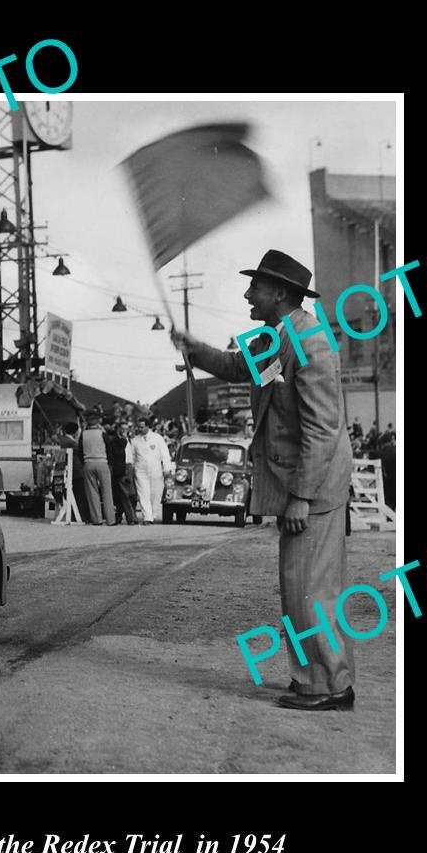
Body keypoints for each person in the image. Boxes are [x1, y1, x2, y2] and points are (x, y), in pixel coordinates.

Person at [173, 249, 355, 711]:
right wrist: (192, 346)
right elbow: (238, 366)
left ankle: (324, 686)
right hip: (309, 486)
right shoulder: (281, 336)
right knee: (306, 589)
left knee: (308, 591)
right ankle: (324, 677)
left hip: (312, 490)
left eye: (255, 287)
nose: (247, 294)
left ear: (279, 294)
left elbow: (321, 429)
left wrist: (300, 497)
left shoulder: (308, 342)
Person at [129, 417, 172, 524]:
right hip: (141, 471)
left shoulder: (158, 438)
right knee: (143, 493)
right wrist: (132, 470)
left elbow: (165, 454)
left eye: (142, 427)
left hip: (156, 470)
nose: (139, 429)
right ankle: (147, 517)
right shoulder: (135, 441)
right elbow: (132, 457)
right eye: (138, 427)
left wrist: (167, 468)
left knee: (155, 494)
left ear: (148, 426)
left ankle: (153, 514)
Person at [80, 413, 116, 525]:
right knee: (107, 492)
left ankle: (97, 519)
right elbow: (109, 449)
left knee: (92, 492)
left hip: (88, 463)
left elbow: (80, 451)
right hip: (102, 462)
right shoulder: (103, 434)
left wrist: (84, 462)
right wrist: (110, 463)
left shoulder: (83, 434)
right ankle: (110, 520)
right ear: (97, 422)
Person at [106, 420, 138, 524]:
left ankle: (120, 515)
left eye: (126, 429)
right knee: (126, 493)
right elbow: (117, 453)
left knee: (130, 494)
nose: (125, 431)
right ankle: (131, 518)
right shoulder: (115, 441)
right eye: (122, 429)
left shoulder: (130, 440)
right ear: (118, 429)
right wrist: (123, 440)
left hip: (130, 467)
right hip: (121, 468)